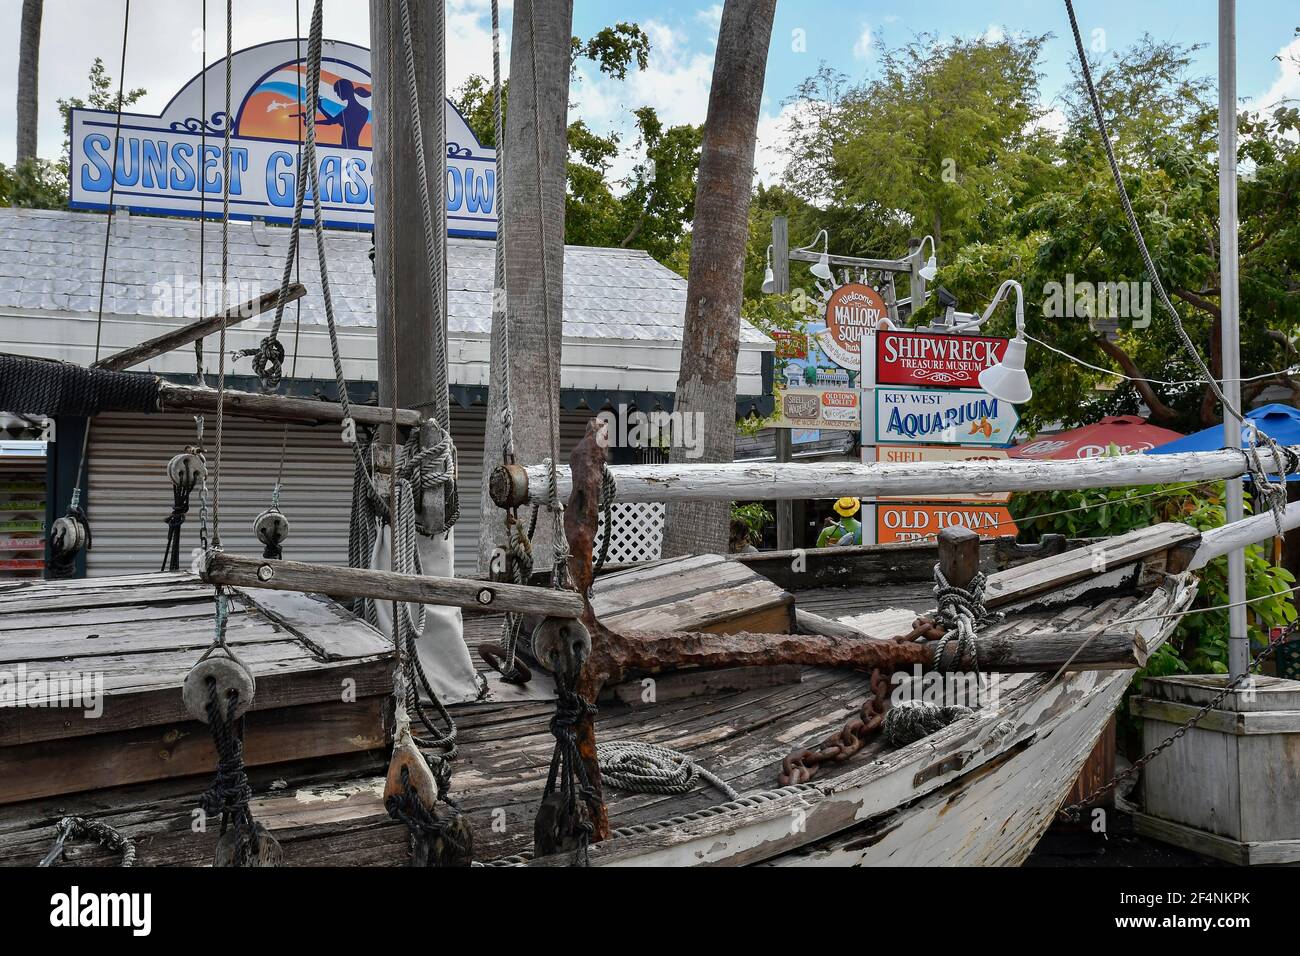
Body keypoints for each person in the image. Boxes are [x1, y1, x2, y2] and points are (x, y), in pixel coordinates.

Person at [298, 78, 371, 150]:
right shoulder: (356, 110)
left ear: (344, 90)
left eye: (338, 92)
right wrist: (320, 108)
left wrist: (312, 122)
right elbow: (332, 121)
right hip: (349, 147)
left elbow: (331, 121)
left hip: (350, 147)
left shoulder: (354, 110)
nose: (337, 95)